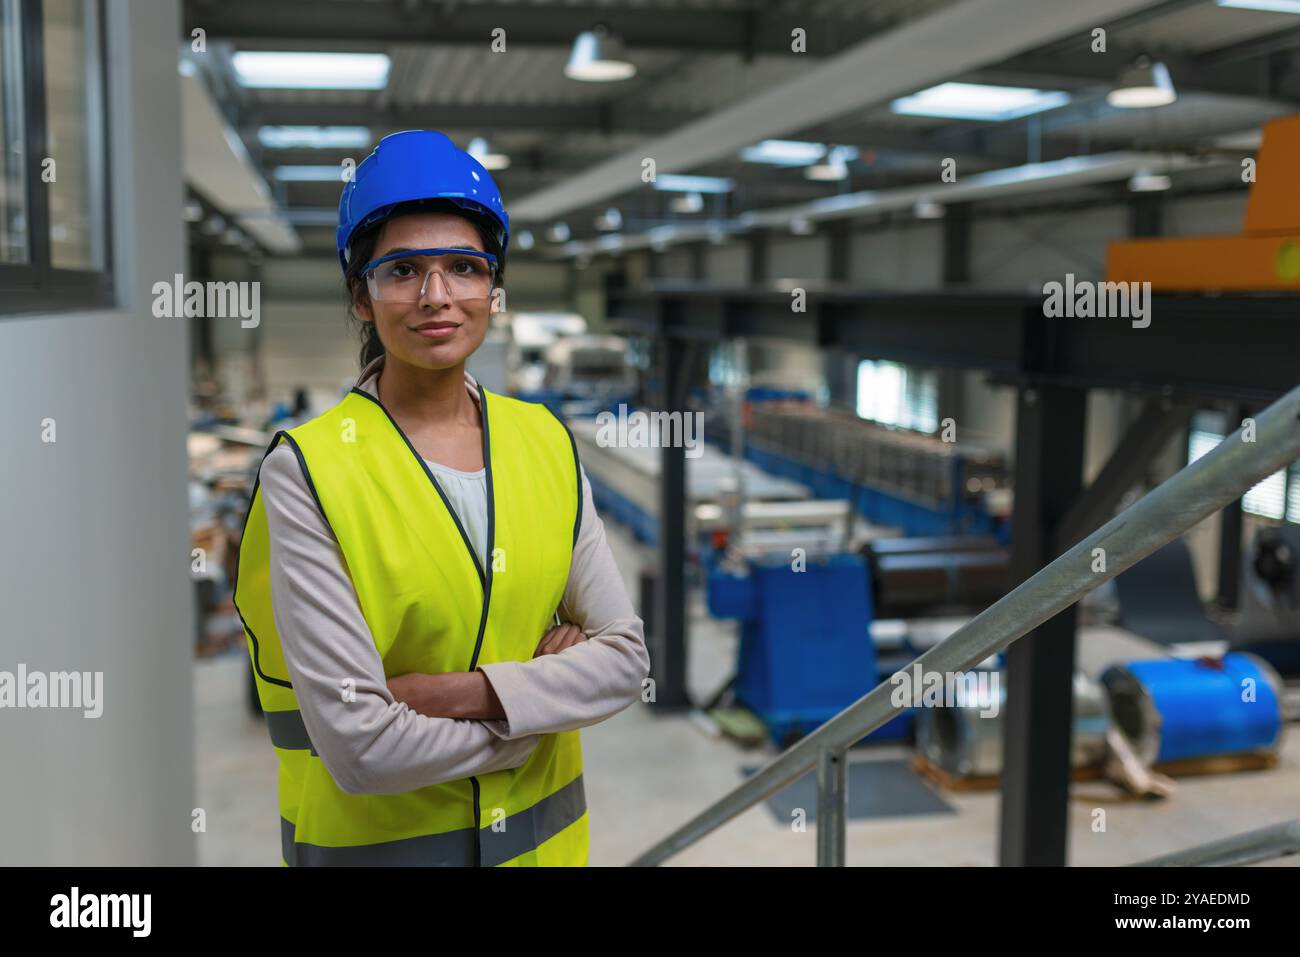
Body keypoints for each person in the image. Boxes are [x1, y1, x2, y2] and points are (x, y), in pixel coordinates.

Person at [234, 130, 650, 867]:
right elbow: (363, 748)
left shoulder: (545, 441)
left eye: (463, 267)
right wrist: (543, 707)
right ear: (361, 295)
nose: (437, 296)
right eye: (402, 270)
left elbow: (624, 661)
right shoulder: (308, 472)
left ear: (493, 289)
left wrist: (453, 693)